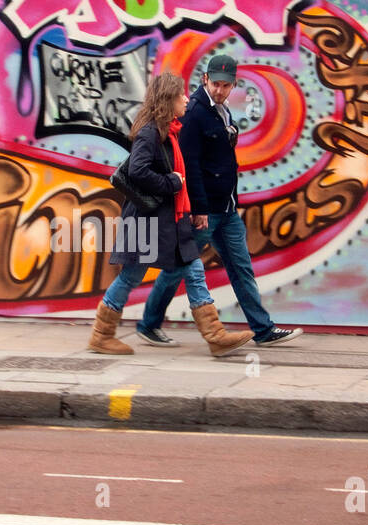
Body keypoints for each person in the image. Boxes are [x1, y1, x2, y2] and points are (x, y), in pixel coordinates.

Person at [136, 55, 303, 347]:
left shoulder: (222, 112)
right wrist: (197, 209)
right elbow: (191, 165)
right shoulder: (195, 113)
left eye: (226, 86)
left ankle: (263, 331)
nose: (220, 90)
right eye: (215, 84)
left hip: (226, 209)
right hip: (206, 210)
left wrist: (232, 200)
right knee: (177, 267)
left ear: (234, 84)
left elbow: (224, 160)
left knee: (241, 267)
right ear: (205, 80)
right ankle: (149, 324)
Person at [87, 72, 254, 358]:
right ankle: (102, 336)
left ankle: (215, 336)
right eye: (181, 95)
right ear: (168, 99)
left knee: (193, 269)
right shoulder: (150, 131)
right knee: (130, 277)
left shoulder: (169, 131)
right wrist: (172, 183)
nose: (186, 99)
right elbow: (138, 170)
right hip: (147, 221)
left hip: (167, 221)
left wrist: (186, 204)